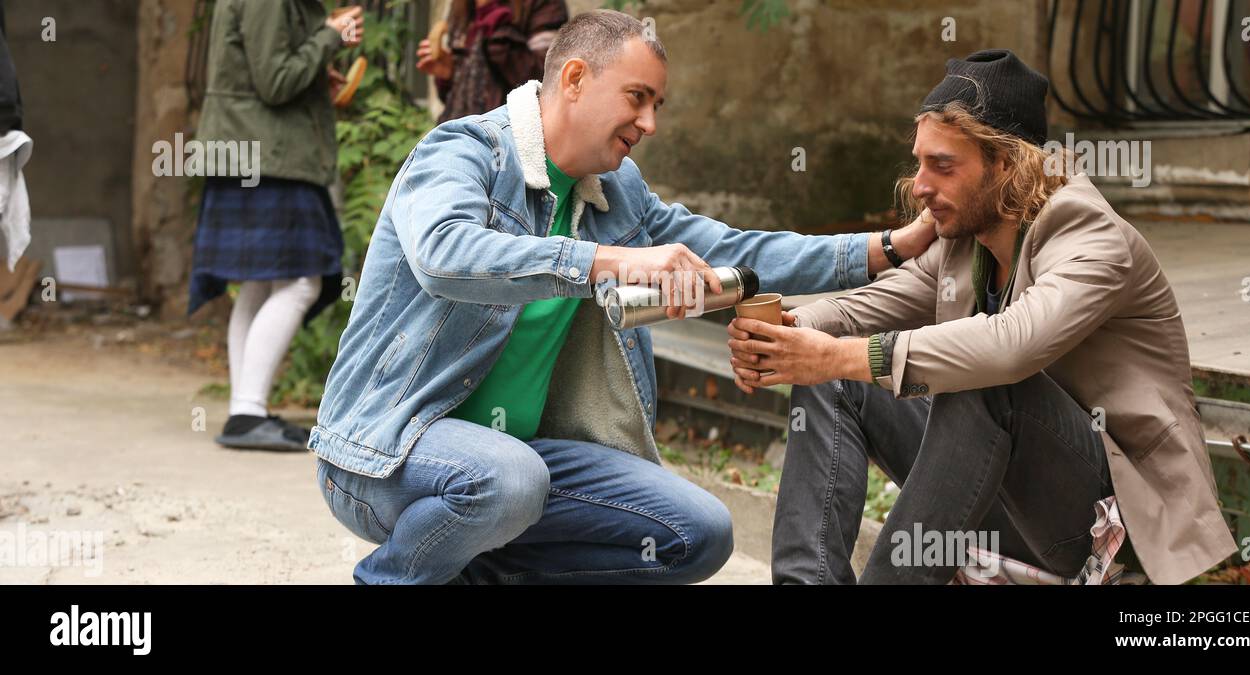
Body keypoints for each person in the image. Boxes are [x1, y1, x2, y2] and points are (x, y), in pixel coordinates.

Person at [309, 9, 938, 584]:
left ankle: (478, 576)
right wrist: (607, 261)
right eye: (638, 99)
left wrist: (886, 247)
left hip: (518, 462)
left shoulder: (614, 189)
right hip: (387, 448)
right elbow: (445, 255)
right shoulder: (461, 152)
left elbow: (728, 247)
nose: (650, 124)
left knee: (698, 533)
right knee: (509, 479)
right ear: (576, 78)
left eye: (657, 104)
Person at [727, 49, 1237, 585]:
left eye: (943, 166)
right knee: (833, 377)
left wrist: (841, 353)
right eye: (920, 164)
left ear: (1007, 165)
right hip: (1000, 500)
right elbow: (872, 304)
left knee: (987, 380)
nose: (921, 186)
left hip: (1101, 518)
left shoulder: (1087, 230)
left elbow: (1010, 347)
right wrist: (791, 334)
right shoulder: (965, 238)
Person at [188, 1, 364, 452]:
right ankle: (246, 412)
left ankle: (246, 409)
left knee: (262, 284)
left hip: (258, 152)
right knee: (301, 282)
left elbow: (261, 71)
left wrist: (317, 63)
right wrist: (329, 35)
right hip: (268, 158)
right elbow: (275, 81)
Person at [417, 0, 569, 123]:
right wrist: (450, 74)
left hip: (507, 141)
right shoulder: (462, 6)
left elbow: (547, 80)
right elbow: (464, 96)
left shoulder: (543, 4)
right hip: (460, 138)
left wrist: (498, 29)